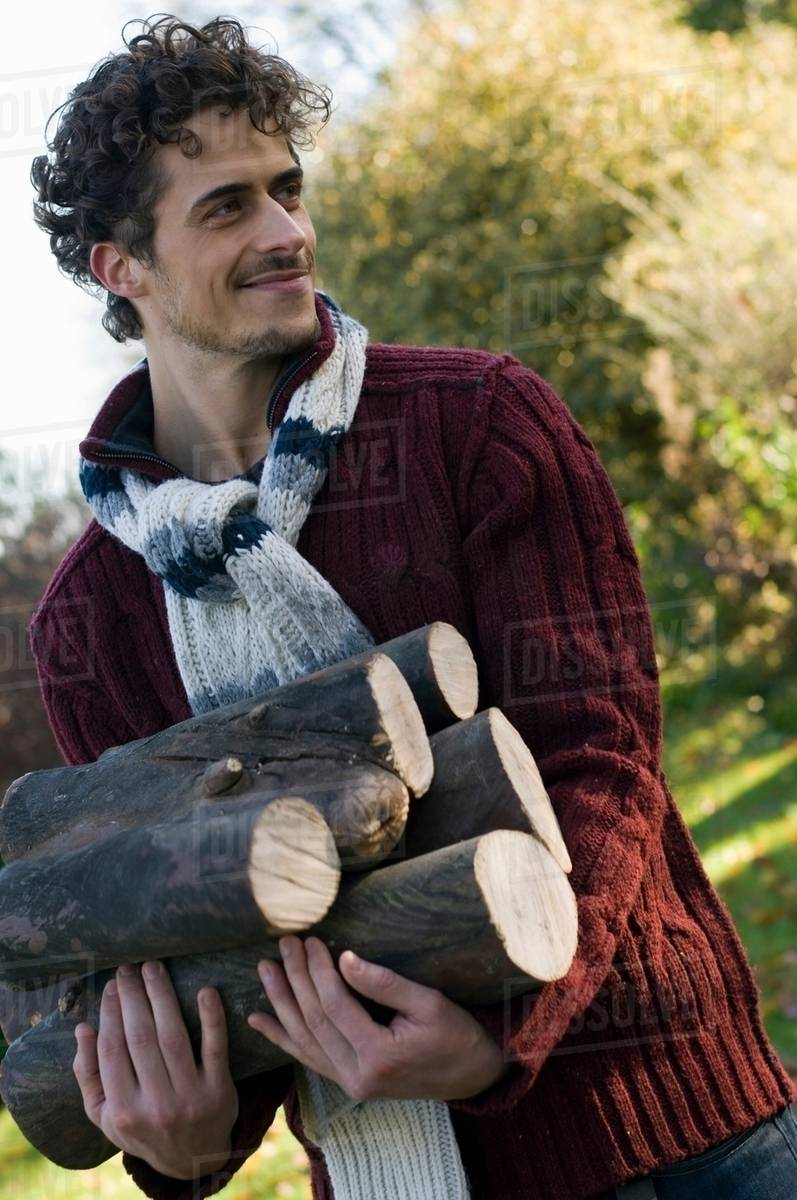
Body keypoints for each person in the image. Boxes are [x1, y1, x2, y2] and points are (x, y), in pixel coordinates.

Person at [28, 13, 796, 1200]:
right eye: (225, 206)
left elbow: (603, 763)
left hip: (676, 1138)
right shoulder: (94, 620)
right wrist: (180, 1150)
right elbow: (185, 954)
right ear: (117, 268)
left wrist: (503, 1039)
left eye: (287, 190)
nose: (288, 233)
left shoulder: (477, 426)